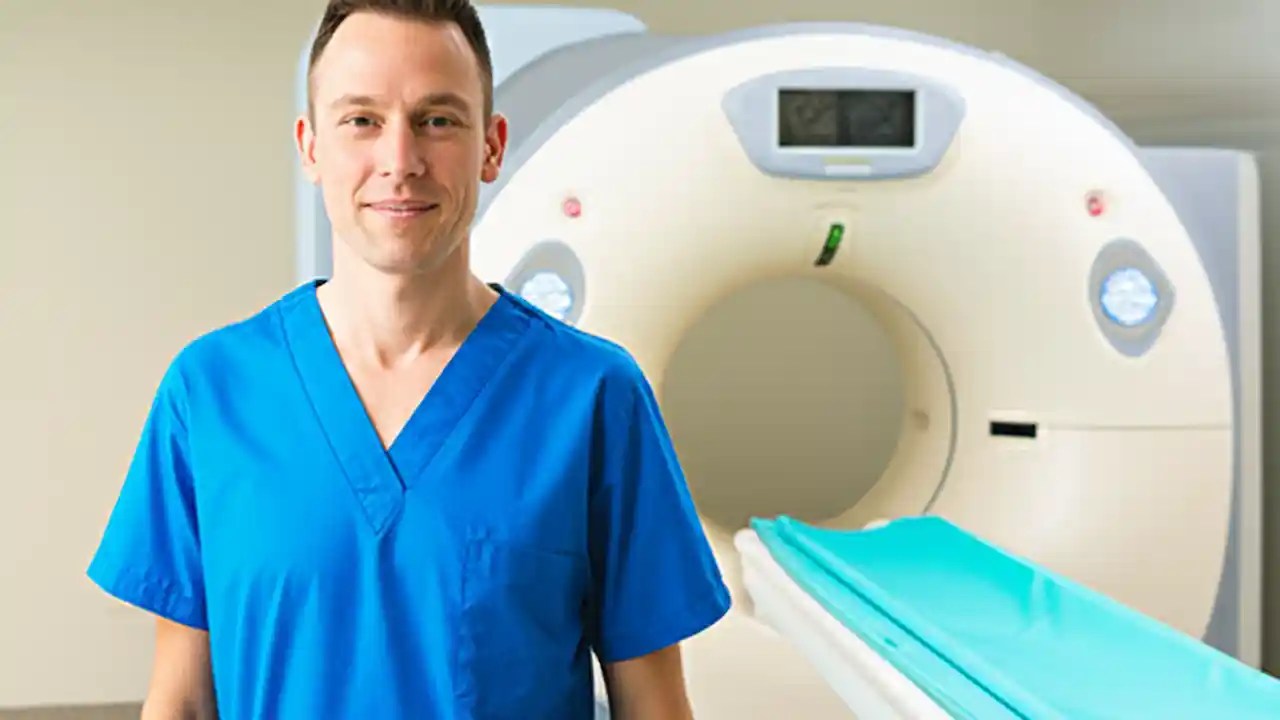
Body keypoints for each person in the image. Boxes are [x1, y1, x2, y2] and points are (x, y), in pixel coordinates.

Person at [85, 0, 732, 717]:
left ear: (491, 145)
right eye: (362, 120)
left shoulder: (594, 399)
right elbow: (179, 701)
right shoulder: (209, 395)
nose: (400, 161)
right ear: (310, 146)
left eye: (438, 120)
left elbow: (655, 706)